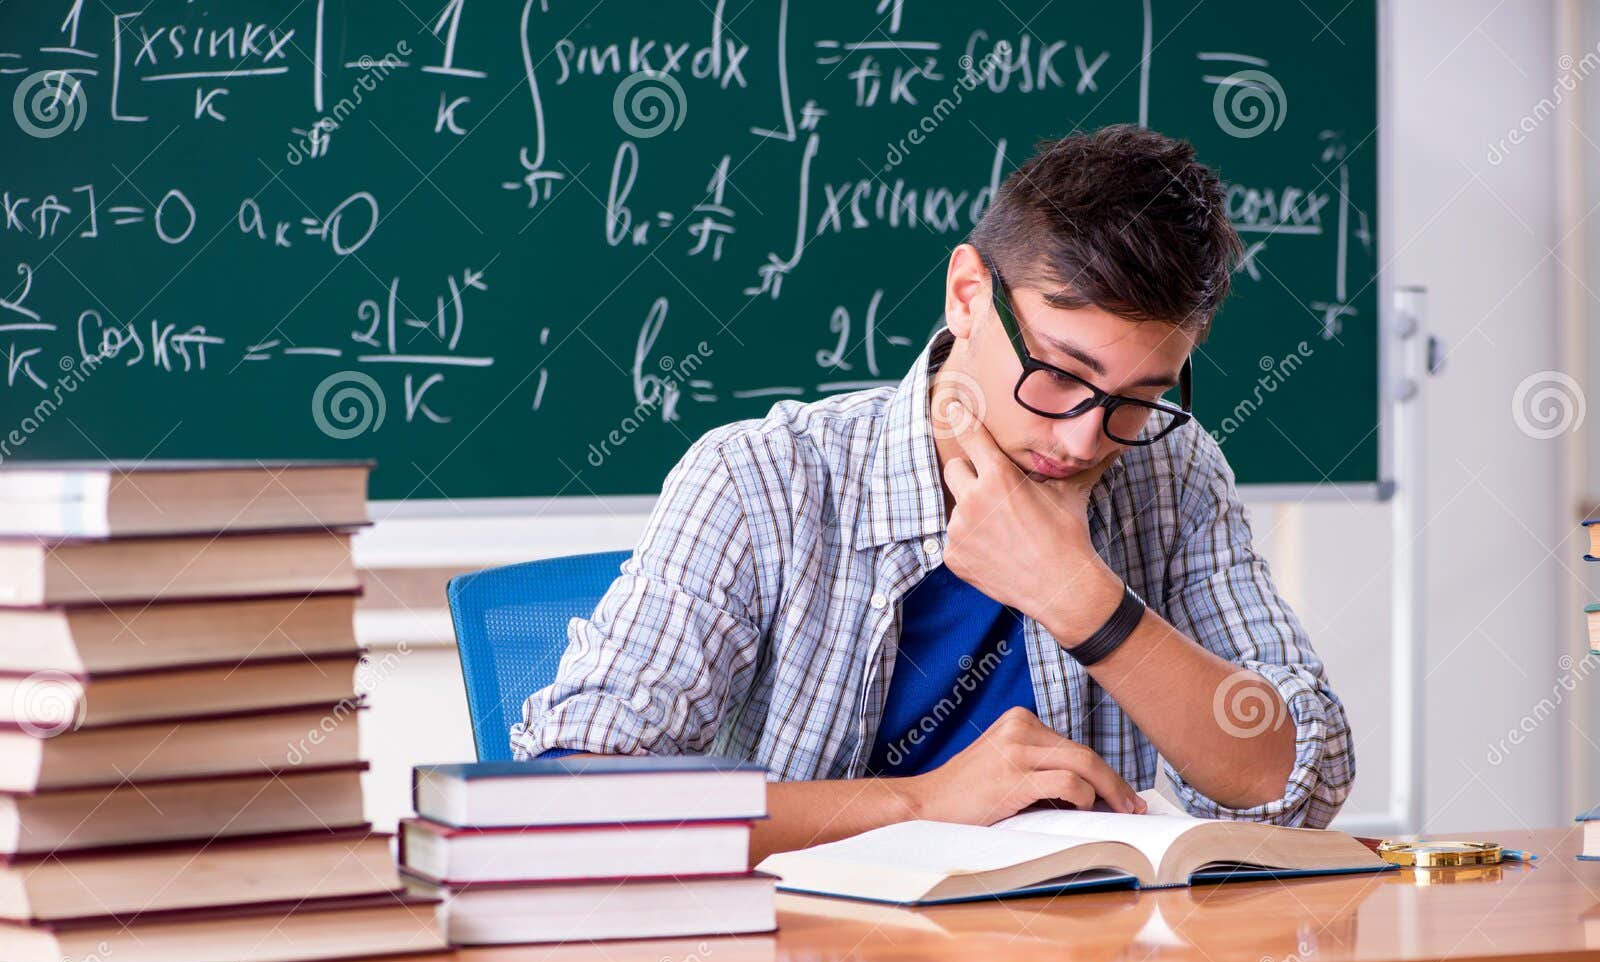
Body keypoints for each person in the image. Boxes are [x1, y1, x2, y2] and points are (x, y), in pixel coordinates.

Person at [512, 124, 1354, 862]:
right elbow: (575, 809)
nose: (1084, 439)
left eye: (1140, 398)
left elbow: (1296, 783)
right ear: (968, 295)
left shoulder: (1172, 470)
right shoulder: (760, 482)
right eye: (1061, 375)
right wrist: (917, 806)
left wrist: (1083, 601)